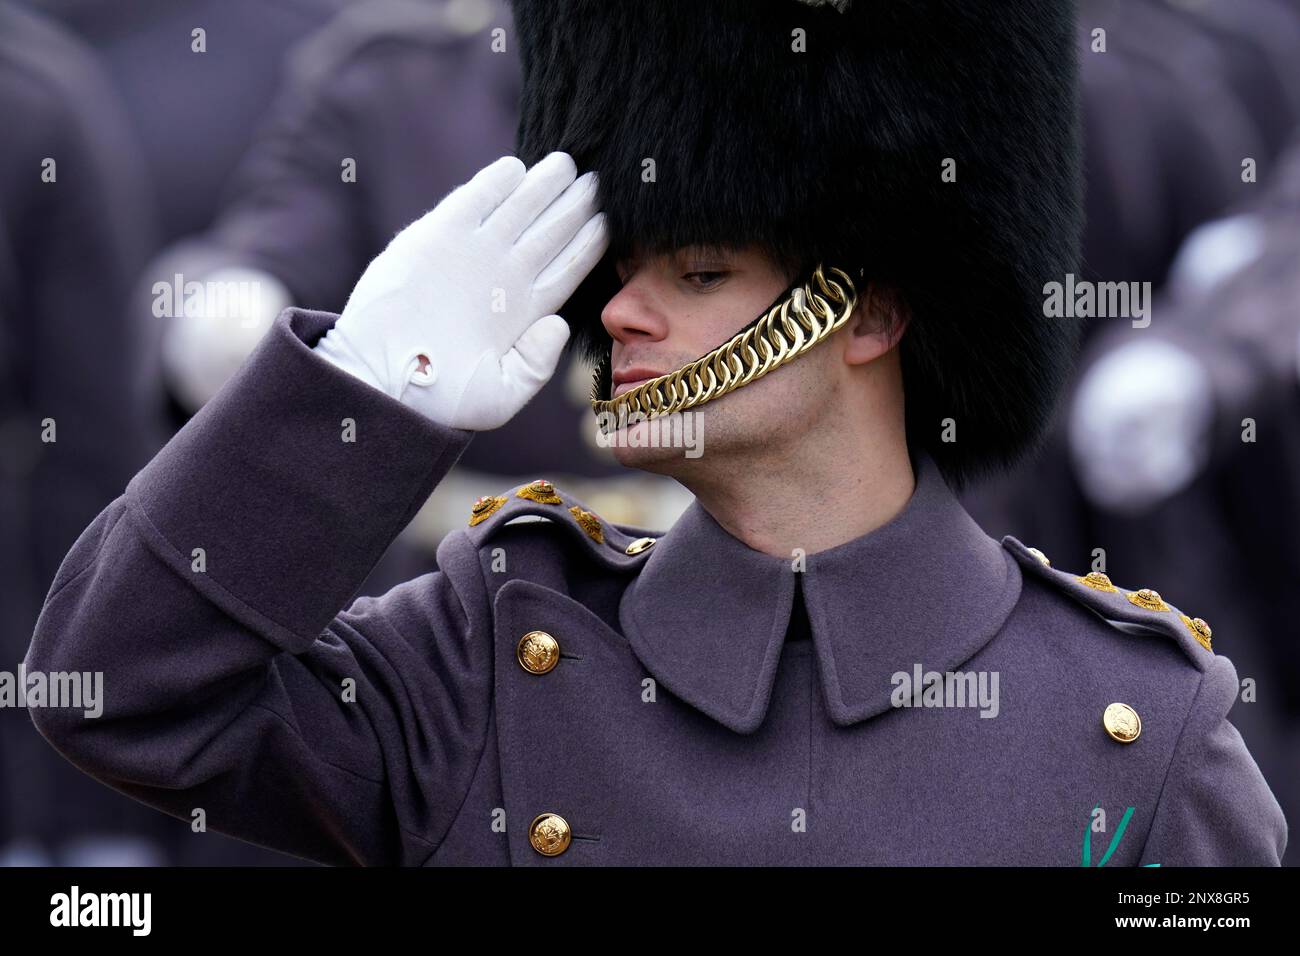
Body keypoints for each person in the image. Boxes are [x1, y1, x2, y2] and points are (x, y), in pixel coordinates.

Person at [25, 0, 1285, 865]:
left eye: (692, 269)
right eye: (620, 265)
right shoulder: (483, 657)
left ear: (868, 311)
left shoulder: (1135, 734)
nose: (613, 309)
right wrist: (362, 394)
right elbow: (120, 691)